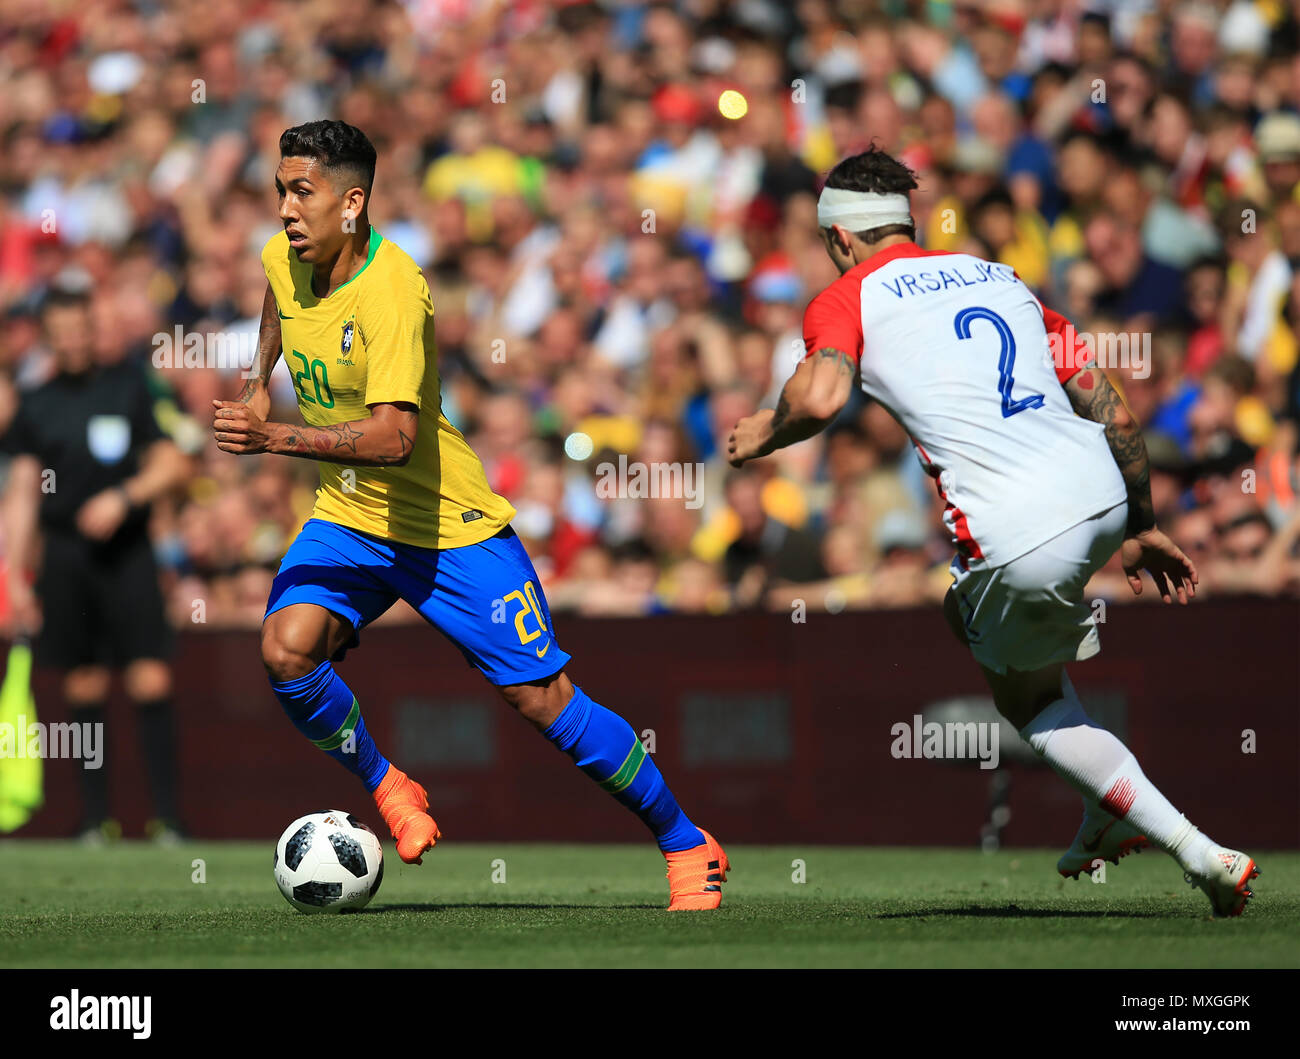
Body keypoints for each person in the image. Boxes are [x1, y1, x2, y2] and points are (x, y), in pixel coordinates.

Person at [727, 146, 1258, 917]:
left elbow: (818, 399)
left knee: (1026, 698)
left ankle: (1203, 854)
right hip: (1099, 485)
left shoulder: (846, 296)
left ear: (840, 239)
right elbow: (1109, 404)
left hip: (1016, 526)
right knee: (997, 634)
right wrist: (1139, 523)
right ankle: (1102, 808)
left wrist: (764, 433)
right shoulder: (998, 276)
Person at [211, 121, 727, 909]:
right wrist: (256, 381)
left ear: (352, 203)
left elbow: (393, 435)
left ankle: (687, 842)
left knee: (541, 699)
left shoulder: (394, 290)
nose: (285, 208)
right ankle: (387, 785)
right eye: (281, 189)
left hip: (448, 526)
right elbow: (276, 302)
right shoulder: (284, 258)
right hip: (349, 518)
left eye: (302, 192)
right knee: (285, 650)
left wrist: (270, 432)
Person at [3, 286, 191, 843]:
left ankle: (170, 823)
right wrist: (15, 576)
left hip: (128, 553)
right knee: (82, 684)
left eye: (79, 329)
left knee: (150, 679)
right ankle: (94, 823)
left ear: (92, 328)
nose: (71, 341)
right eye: (58, 334)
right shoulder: (34, 403)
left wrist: (126, 498)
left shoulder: (129, 387)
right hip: (64, 558)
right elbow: (23, 494)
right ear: (49, 337)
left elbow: (174, 464)